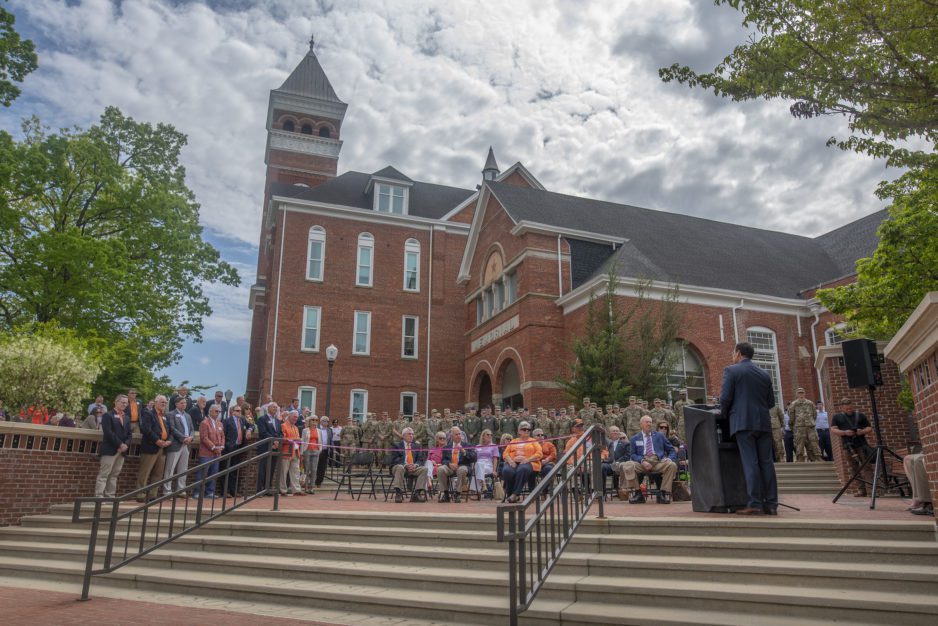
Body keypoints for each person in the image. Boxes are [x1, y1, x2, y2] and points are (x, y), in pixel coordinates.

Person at [719, 341, 778, 515]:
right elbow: (770, 402)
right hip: (764, 424)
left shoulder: (731, 370)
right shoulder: (764, 374)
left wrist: (723, 414)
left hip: (743, 423)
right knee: (767, 463)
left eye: (733, 353)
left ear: (738, 353)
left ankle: (755, 504)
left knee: (750, 462)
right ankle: (772, 504)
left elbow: (725, 398)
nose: (732, 356)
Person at [622, 416, 677, 504]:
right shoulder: (634, 438)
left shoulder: (660, 436)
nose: (649, 424)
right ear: (641, 424)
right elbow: (632, 455)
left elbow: (672, 450)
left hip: (658, 462)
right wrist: (642, 461)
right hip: (642, 462)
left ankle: (662, 493)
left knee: (672, 465)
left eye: (650, 422)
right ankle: (638, 493)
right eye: (647, 422)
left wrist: (669, 459)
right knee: (627, 465)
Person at [830, 397, 873, 497]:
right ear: (842, 408)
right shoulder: (837, 417)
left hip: (862, 444)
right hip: (848, 446)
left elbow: (869, 428)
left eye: (850, 408)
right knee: (854, 468)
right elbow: (833, 429)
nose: (849, 410)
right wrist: (844, 432)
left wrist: (862, 431)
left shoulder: (860, 415)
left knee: (867, 467)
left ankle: (871, 491)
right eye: (846, 408)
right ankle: (861, 491)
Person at [95, 394, 132, 498]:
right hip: (110, 449)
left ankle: (110, 496)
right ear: (116, 402)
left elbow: (129, 434)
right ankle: (99, 496)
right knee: (104, 474)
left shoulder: (126, 417)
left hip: (122, 451)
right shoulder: (108, 415)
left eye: (126, 403)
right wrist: (120, 444)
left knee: (114, 475)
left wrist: (126, 444)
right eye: (122, 402)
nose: (124, 404)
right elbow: (108, 432)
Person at [136, 395, 170, 502]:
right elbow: (146, 429)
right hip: (151, 446)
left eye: (165, 402)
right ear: (155, 402)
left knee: (158, 473)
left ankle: (152, 495)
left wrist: (168, 440)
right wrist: (157, 440)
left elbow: (169, 430)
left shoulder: (165, 416)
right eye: (162, 402)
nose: (164, 404)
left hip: (163, 448)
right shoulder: (148, 413)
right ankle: (140, 494)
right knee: (145, 472)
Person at [501, 422, 543, 503]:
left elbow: (539, 453)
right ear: (519, 431)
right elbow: (505, 453)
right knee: (507, 471)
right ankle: (511, 495)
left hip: (529, 463)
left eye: (529, 429)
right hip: (513, 462)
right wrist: (511, 461)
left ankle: (515, 494)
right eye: (524, 429)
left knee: (522, 469)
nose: (527, 431)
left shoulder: (533, 441)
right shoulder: (514, 441)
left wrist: (527, 459)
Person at [164, 395, 195, 497]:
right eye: (182, 403)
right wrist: (183, 438)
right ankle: (167, 491)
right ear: (176, 404)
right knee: (170, 468)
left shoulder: (188, 416)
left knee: (183, 469)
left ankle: (181, 490)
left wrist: (190, 437)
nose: (184, 404)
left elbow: (192, 429)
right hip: (176, 444)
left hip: (186, 445)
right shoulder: (170, 414)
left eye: (185, 403)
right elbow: (172, 428)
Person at [389, 427, 429, 502]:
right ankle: (398, 493)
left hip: (413, 467)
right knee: (400, 467)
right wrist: (405, 465)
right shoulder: (397, 445)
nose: (411, 436)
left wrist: (415, 465)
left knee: (424, 469)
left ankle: (417, 494)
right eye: (409, 434)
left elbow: (421, 459)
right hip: (399, 467)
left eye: (412, 434)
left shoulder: (416, 446)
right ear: (403, 435)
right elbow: (395, 459)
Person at [437, 427, 476, 502]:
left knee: (461, 470)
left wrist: (464, 452)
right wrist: (449, 464)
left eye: (459, 434)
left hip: (463, 466)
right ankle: (445, 493)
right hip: (451, 467)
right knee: (440, 469)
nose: (459, 436)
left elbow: (474, 458)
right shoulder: (447, 447)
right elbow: (443, 460)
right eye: (456, 434)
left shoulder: (467, 445)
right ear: (451, 436)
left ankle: (458, 493)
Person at [196, 404, 225, 499]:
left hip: (217, 453)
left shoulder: (220, 424)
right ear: (210, 411)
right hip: (206, 453)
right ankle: (197, 492)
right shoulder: (204, 423)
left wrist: (221, 446)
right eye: (216, 411)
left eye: (219, 411)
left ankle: (210, 492)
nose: (218, 413)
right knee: (202, 473)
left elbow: (222, 436)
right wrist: (213, 447)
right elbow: (204, 438)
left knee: (213, 473)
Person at [222, 403, 250, 497]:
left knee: (235, 470)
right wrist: (225, 446)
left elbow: (251, 425)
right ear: (232, 412)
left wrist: (249, 430)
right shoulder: (227, 421)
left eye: (240, 411)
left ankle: (233, 491)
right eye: (237, 411)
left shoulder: (242, 420)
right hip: (228, 449)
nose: (239, 412)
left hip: (238, 448)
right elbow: (223, 434)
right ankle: (225, 491)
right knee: (226, 470)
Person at [789, 387, 822, 462]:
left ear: (804, 394)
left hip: (810, 426)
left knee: (814, 441)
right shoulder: (794, 404)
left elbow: (814, 414)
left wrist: (810, 421)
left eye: (802, 393)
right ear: (796, 394)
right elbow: (791, 416)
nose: (801, 394)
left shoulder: (810, 403)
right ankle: (800, 457)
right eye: (799, 393)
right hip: (799, 426)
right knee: (799, 442)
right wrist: (794, 425)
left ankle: (817, 457)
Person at [256, 403, 282, 493]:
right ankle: (259, 490)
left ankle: (268, 489)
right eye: (273, 407)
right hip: (265, 447)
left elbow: (280, 433)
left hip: (275, 448)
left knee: (271, 469)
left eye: (276, 407)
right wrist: (273, 440)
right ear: (268, 408)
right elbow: (263, 432)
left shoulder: (277, 421)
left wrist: (278, 441)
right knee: (262, 469)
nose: (275, 408)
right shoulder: (262, 419)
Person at [277, 410, 305, 496]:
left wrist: (300, 441)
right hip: (286, 452)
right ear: (289, 416)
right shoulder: (283, 425)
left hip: (296, 452)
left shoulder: (296, 427)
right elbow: (283, 439)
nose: (296, 419)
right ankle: (283, 490)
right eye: (294, 417)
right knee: (283, 472)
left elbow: (297, 439)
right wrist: (295, 439)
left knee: (296, 472)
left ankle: (296, 490)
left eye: (297, 417)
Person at [604, 426, 631, 500]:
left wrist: (617, 461)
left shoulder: (625, 443)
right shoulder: (605, 443)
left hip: (620, 464)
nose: (616, 432)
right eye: (613, 431)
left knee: (622, 466)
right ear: (609, 433)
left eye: (617, 431)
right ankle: (601, 492)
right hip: (608, 464)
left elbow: (627, 455)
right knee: (601, 467)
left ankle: (622, 491)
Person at [473, 429, 500, 498]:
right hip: (478, 464)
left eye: (491, 435)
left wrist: (494, 470)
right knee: (478, 465)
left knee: (476, 470)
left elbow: (495, 459)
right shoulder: (477, 446)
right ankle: (483, 484)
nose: (490, 436)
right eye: (488, 435)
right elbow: (473, 458)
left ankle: (477, 492)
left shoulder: (494, 446)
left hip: (488, 464)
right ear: (483, 436)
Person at [301, 414, 321, 494]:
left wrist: (319, 450)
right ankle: (306, 487)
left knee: (314, 469)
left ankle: (312, 487)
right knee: (307, 469)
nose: (314, 421)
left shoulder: (319, 431)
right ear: (309, 421)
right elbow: (302, 442)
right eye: (313, 420)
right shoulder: (305, 430)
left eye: (316, 420)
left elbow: (320, 441)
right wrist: (301, 453)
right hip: (307, 450)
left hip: (316, 451)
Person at [315, 416, 333, 487]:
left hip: (325, 451)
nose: (326, 422)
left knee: (322, 467)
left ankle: (319, 482)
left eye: (327, 421)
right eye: (324, 421)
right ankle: (313, 480)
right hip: (316, 450)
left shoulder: (329, 430)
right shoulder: (316, 428)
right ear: (321, 421)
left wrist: (333, 449)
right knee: (315, 466)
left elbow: (331, 441)